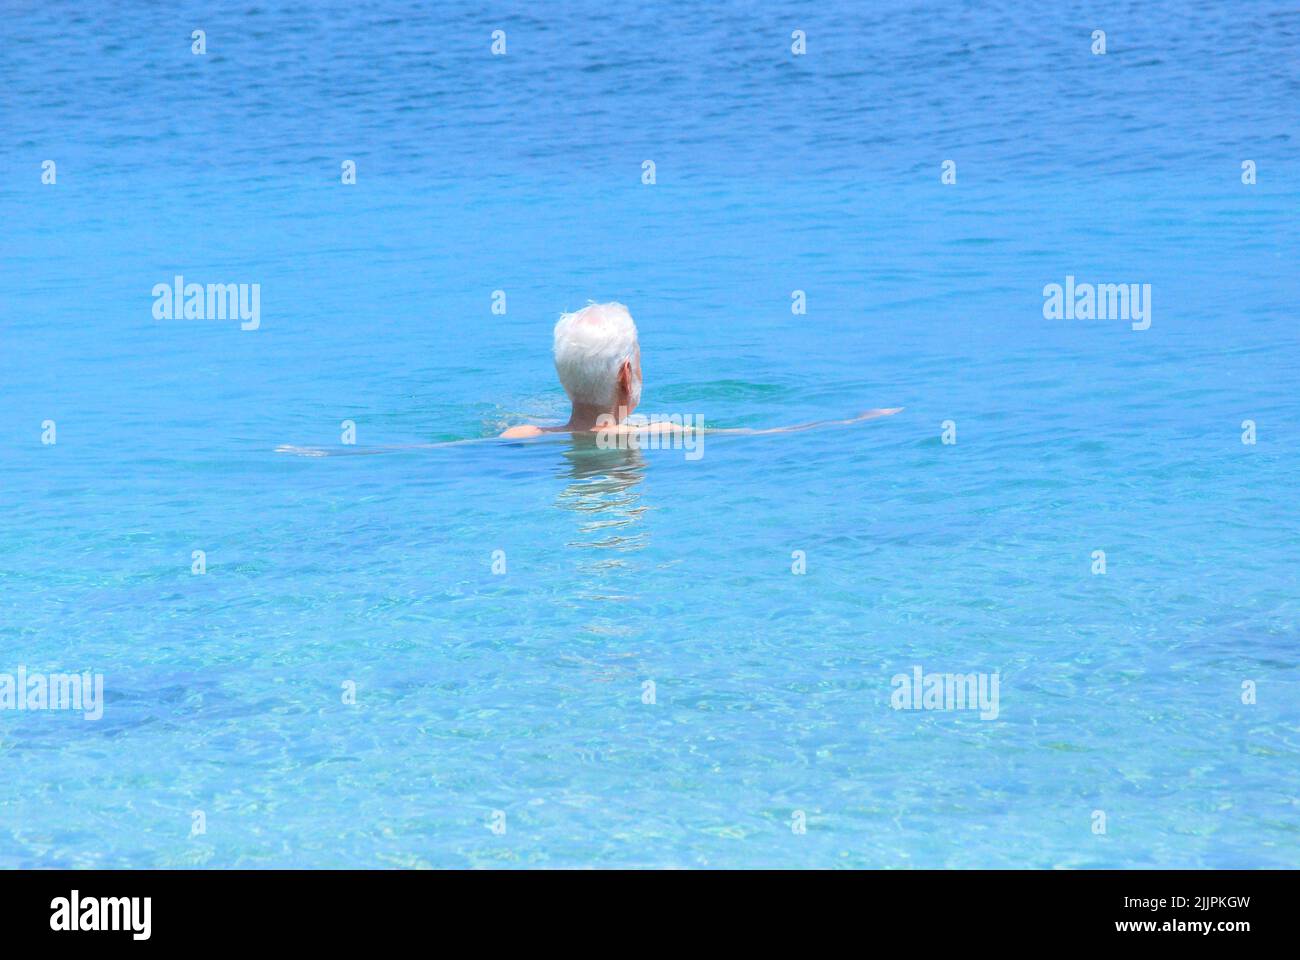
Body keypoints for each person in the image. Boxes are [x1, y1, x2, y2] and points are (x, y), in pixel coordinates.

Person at [500, 302, 900, 439]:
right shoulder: (660, 431)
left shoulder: (524, 434)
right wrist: (853, 421)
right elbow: (759, 435)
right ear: (626, 375)